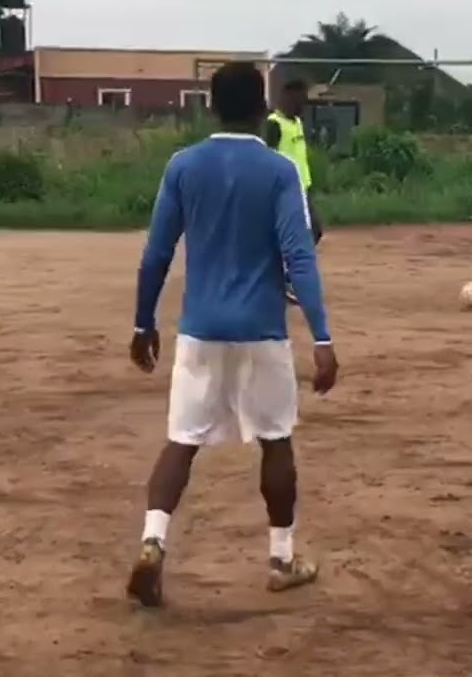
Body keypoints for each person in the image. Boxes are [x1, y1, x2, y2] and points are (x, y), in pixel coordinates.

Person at [127, 61, 339, 607]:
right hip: (261, 329)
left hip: (200, 328)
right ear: (259, 108)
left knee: (182, 440)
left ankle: (153, 542)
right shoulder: (278, 171)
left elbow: (156, 254)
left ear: (213, 105)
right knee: (276, 440)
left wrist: (143, 320)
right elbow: (299, 255)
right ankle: (282, 556)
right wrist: (321, 335)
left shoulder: (182, 166)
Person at [265, 78, 320, 304]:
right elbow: (265, 156)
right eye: (300, 101)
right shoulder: (273, 124)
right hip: (283, 190)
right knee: (300, 234)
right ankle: (282, 279)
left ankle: (281, 277)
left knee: (312, 232)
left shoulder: (296, 122)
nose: (303, 106)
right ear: (287, 99)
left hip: (301, 187)